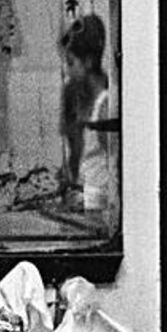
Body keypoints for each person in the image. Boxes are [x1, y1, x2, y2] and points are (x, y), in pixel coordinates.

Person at [60, 13, 114, 210]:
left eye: (71, 63)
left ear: (89, 61)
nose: (67, 70)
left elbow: (116, 172)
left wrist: (88, 197)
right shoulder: (75, 96)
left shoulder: (105, 107)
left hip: (100, 206)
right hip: (85, 204)